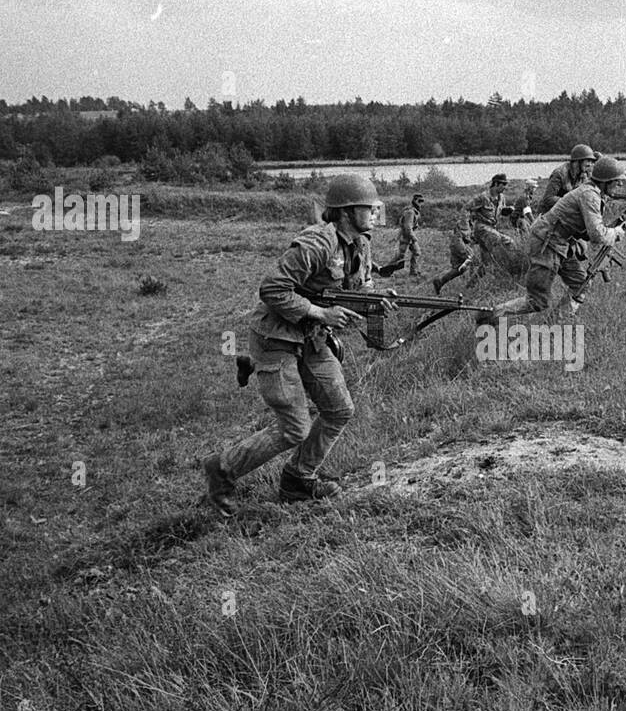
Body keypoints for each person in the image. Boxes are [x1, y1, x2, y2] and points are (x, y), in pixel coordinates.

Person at [202, 174, 394, 516]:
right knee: (295, 428)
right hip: (277, 338)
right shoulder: (316, 243)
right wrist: (321, 312)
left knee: (339, 409)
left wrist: (377, 298)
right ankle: (222, 469)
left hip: (313, 339)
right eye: (369, 208)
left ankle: (297, 480)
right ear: (348, 211)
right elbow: (273, 290)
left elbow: (357, 288)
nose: (376, 214)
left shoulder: (361, 243)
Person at [475, 156, 626, 324]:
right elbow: (597, 235)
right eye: (617, 181)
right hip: (546, 243)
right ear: (606, 180)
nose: (620, 185)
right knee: (537, 301)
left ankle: (555, 324)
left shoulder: (592, 192)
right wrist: (616, 232)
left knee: (580, 283)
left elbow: (588, 231)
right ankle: (491, 315)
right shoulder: (589, 195)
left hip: (560, 243)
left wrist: (611, 229)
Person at [538, 143, 598, 266]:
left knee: (582, 248)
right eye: (588, 162)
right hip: (548, 218)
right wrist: (569, 202)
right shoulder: (560, 174)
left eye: (592, 163)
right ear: (577, 162)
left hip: (565, 218)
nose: (590, 166)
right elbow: (548, 199)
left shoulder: (584, 175)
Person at [463, 174, 515, 279]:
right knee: (500, 241)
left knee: (487, 264)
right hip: (481, 228)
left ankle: (471, 285)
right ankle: (503, 275)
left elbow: (500, 211)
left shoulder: (501, 198)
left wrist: (507, 210)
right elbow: (466, 208)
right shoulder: (482, 197)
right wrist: (466, 228)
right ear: (495, 184)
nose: (505, 187)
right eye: (503, 184)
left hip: (491, 229)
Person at [378, 193, 424, 278]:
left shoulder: (414, 211)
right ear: (414, 201)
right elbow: (408, 227)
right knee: (400, 257)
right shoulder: (410, 212)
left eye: (422, 201)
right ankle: (384, 271)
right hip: (406, 237)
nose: (421, 203)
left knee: (417, 252)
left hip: (409, 237)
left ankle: (413, 272)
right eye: (419, 201)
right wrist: (414, 238)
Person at [431, 212, 477, 295]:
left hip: (456, 243)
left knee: (458, 269)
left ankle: (440, 282)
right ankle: (472, 285)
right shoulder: (465, 220)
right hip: (459, 243)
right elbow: (466, 235)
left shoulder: (469, 221)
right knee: (472, 259)